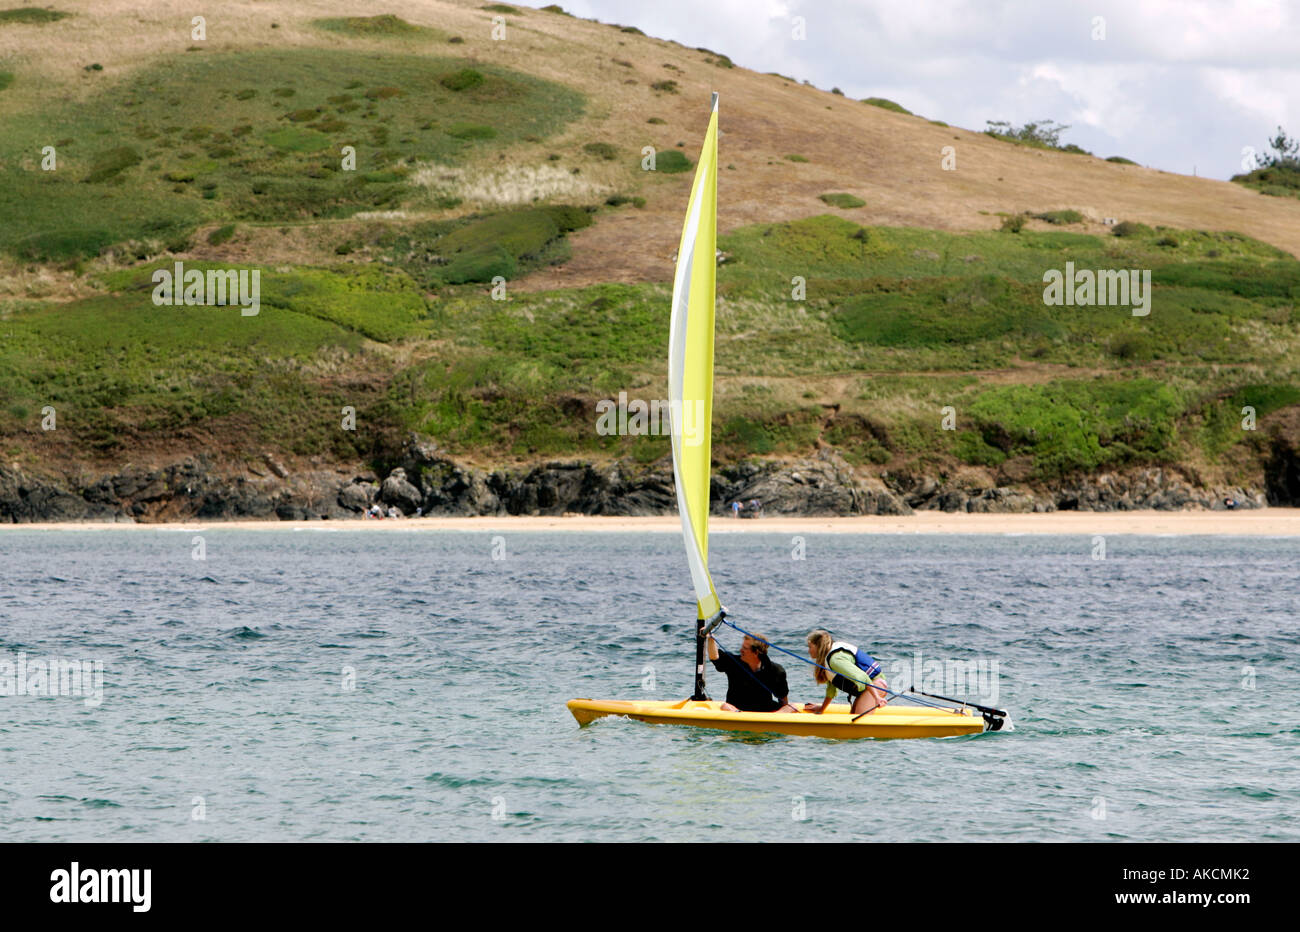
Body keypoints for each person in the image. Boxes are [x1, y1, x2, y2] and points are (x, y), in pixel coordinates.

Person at [803, 628, 888, 716]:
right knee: (852, 717)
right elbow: (831, 690)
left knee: (859, 723)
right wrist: (821, 709)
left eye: (810, 647)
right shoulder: (828, 660)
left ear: (818, 646)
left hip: (875, 687)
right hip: (870, 689)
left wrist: (877, 698)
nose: (808, 651)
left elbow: (862, 677)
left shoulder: (835, 660)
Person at [705, 632, 796, 713]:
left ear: (756, 652)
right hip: (737, 711)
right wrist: (710, 639)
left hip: (765, 712)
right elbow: (715, 657)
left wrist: (782, 713)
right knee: (725, 706)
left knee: (791, 707)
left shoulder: (775, 670)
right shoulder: (734, 662)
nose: (741, 650)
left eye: (745, 648)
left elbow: (783, 700)